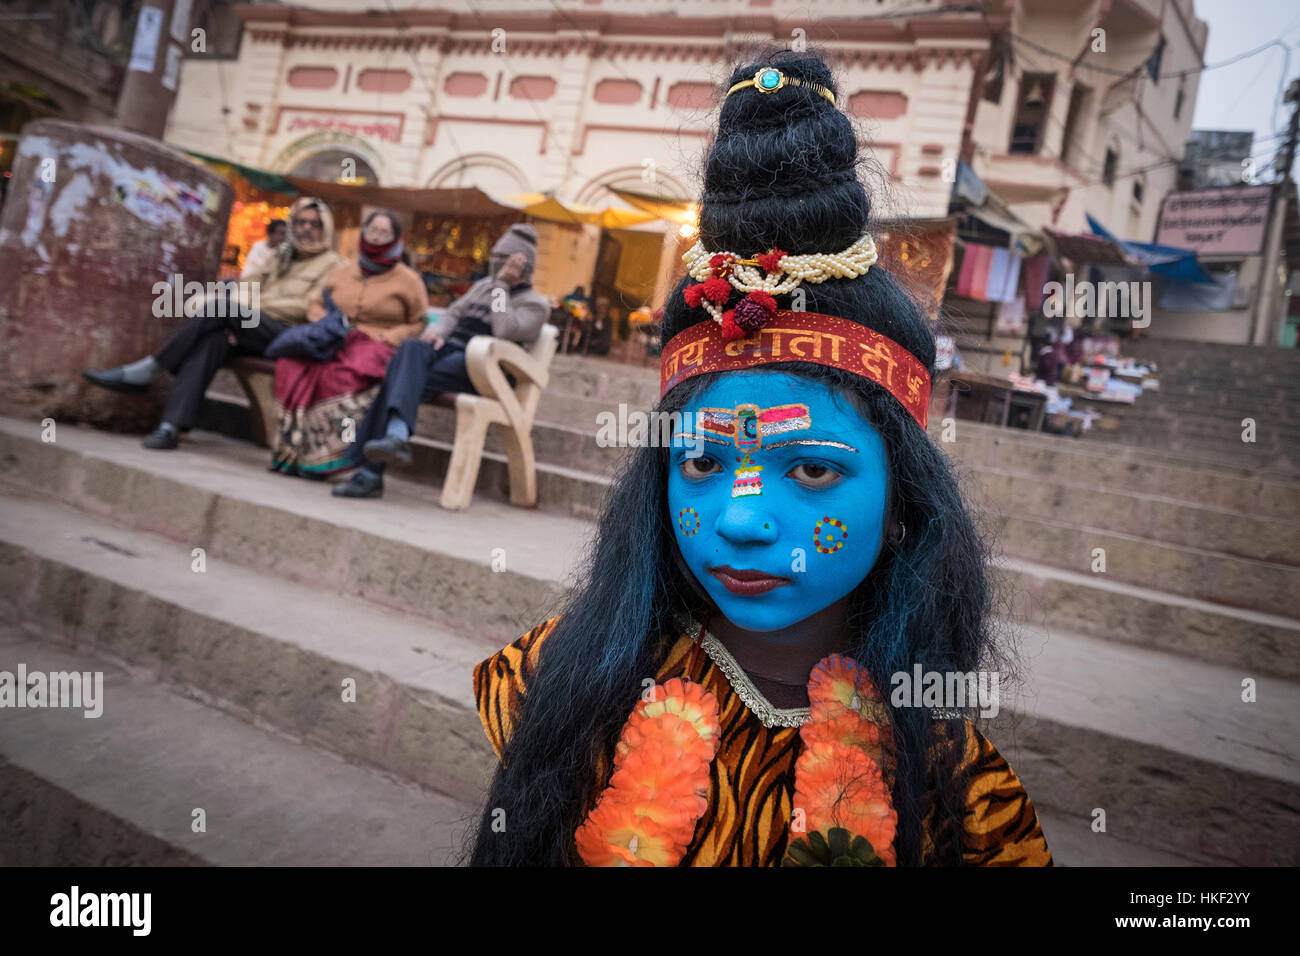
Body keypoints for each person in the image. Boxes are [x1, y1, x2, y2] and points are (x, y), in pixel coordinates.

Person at [465, 50, 1053, 867]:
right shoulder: (564, 684)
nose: (739, 519)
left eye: (812, 469)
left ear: (902, 508)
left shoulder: (952, 779)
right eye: (702, 463)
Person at [82, 197, 342, 449]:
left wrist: (246, 309)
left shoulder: (332, 265)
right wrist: (241, 310)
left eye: (315, 224)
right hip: (251, 326)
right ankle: (170, 427)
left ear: (326, 229)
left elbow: (307, 307)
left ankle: (152, 368)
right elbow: (246, 286)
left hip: (287, 334)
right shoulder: (280, 257)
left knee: (221, 308)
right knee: (211, 340)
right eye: (301, 222)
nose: (306, 229)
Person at [331, 222, 550, 499]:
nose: (497, 265)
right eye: (496, 258)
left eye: (505, 260)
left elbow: (504, 330)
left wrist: (502, 287)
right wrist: (437, 332)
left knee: (400, 376)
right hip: (451, 351)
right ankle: (393, 440)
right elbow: (454, 314)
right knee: (410, 348)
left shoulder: (535, 303)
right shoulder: (483, 286)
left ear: (523, 265)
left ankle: (371, 470)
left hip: (484, 368)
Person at [269, 210, 428, 478]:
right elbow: (316, 303)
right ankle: (294, 453)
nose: (377, 237)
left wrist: (390, 337)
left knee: (344, 378)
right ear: (363, 233)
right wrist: (326, 323)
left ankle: (341, 457)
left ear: (396, 239)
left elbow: (419, 322)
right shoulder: (341, 271)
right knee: (292, 365)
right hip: (334, 338)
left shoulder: (408, 280)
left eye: (384, 233)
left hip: (377, 344)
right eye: (372, 231)